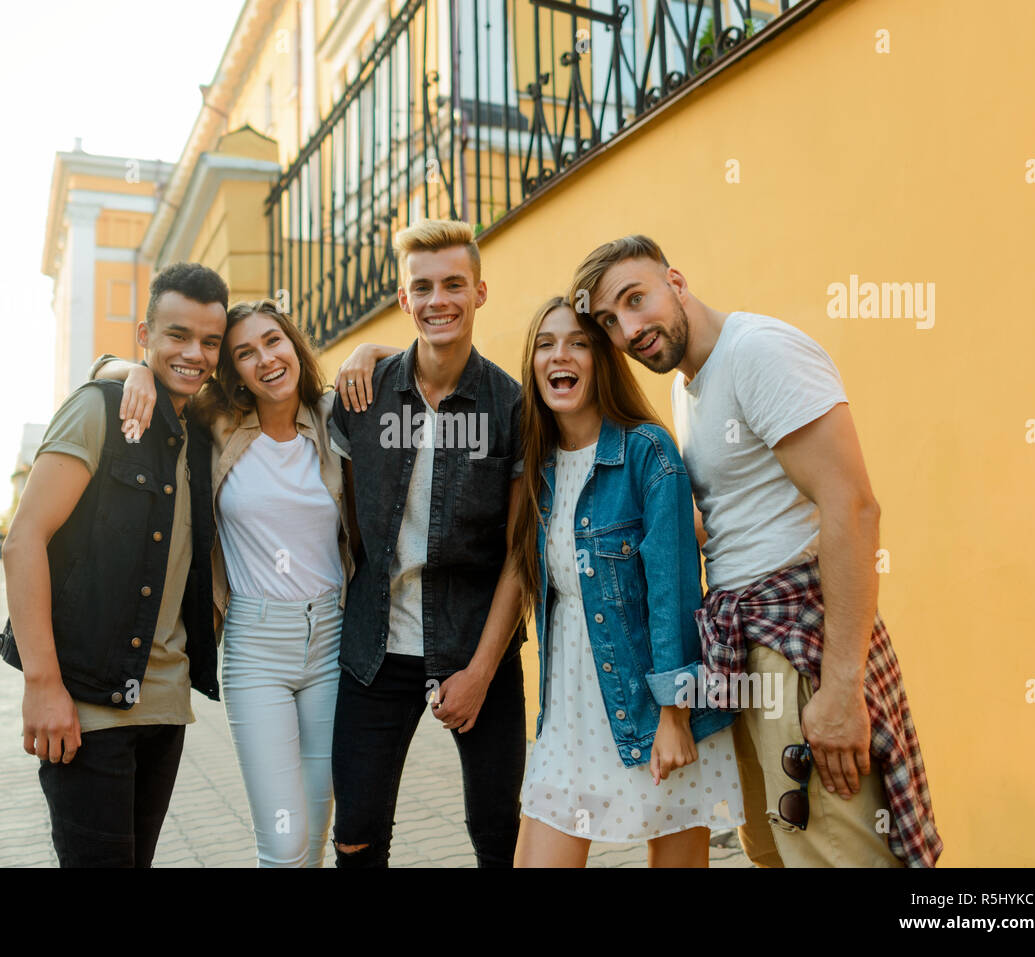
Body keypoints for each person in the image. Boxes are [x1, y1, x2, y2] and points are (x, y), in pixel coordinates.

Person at [570, 235, 942, 867]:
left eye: (636, 300)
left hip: (798, 648)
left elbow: (852, 507)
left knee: (832, 853)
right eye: (609, 321)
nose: (629, 329)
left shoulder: (758, 352)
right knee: (775, 850)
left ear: (676, 282)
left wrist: (841, 689)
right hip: (743, 652)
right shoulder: (690, 389)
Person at [91, 298, 365, 867]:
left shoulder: (334, 416)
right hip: (256, 647)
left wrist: (368, 348)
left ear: (293, 343)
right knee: (284, 841)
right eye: (244, 353)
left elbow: (418, 374)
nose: (265, 359)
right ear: (233, 372)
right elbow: (101, 370)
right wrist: (137, 370)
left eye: (273, 341)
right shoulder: (212, 425)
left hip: (332, 641)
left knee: (314, 831)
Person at [0, 261, 228, 867]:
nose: (194, 354)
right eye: (177, 335)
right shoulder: (99, 410)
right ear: (144, 335)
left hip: (164, 705)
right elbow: (24, 542)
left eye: (210, 341)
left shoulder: (196, 431)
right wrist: (42, 684)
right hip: (86, 704)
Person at [507, 296, 743, 867]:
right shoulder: (537, 465)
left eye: (578, 342)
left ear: (601, 360)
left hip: (653, 701)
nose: (559, 355)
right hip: (567, 710)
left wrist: (674, 714)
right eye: (545, 343)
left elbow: (674, 594)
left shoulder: (647, 453)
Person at [327, 219, 526, 867]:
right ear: (404, 299)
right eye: (423, 287)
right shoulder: (364, 394)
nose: (438, 299)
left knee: (498, 830)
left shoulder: (510, 408)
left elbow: (522, 554)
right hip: (374, 648)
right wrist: (364, 352)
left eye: (453, 284)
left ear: (480, 292)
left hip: (477, 644)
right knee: (356, 834)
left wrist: (482, 672)